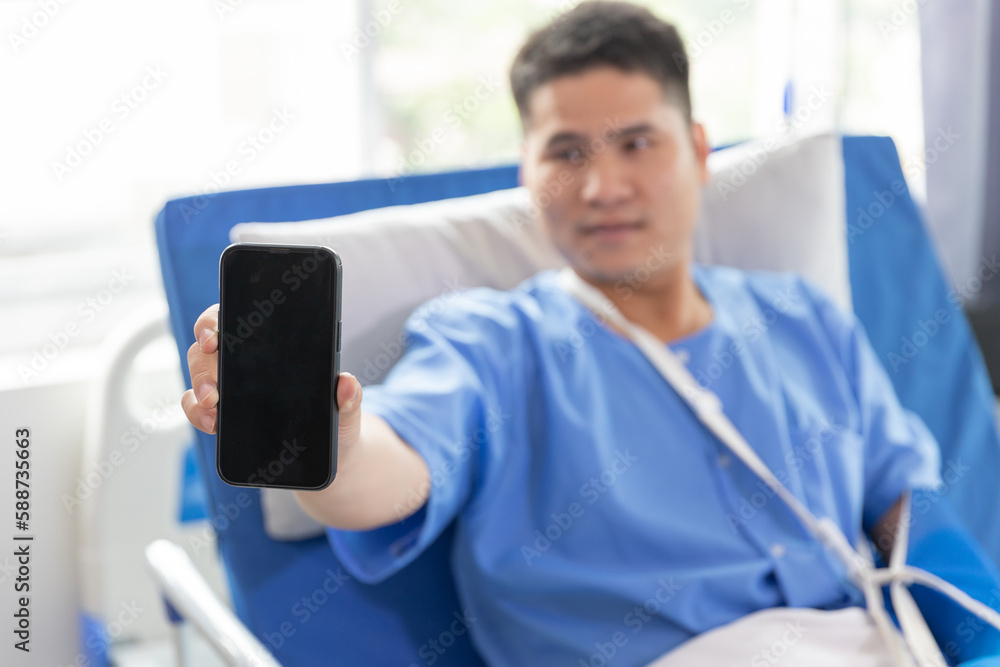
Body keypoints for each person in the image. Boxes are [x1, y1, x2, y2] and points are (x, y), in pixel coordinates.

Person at [181, 2, 1000, 665]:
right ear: (527, 178)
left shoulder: (805, 318)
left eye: (637, 142)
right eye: (566, 151)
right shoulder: (494, 343)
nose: (604, 185)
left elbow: (906, 504)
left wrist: (979, 644)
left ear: (699, 152)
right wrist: (334, 439)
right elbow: (390, 470)